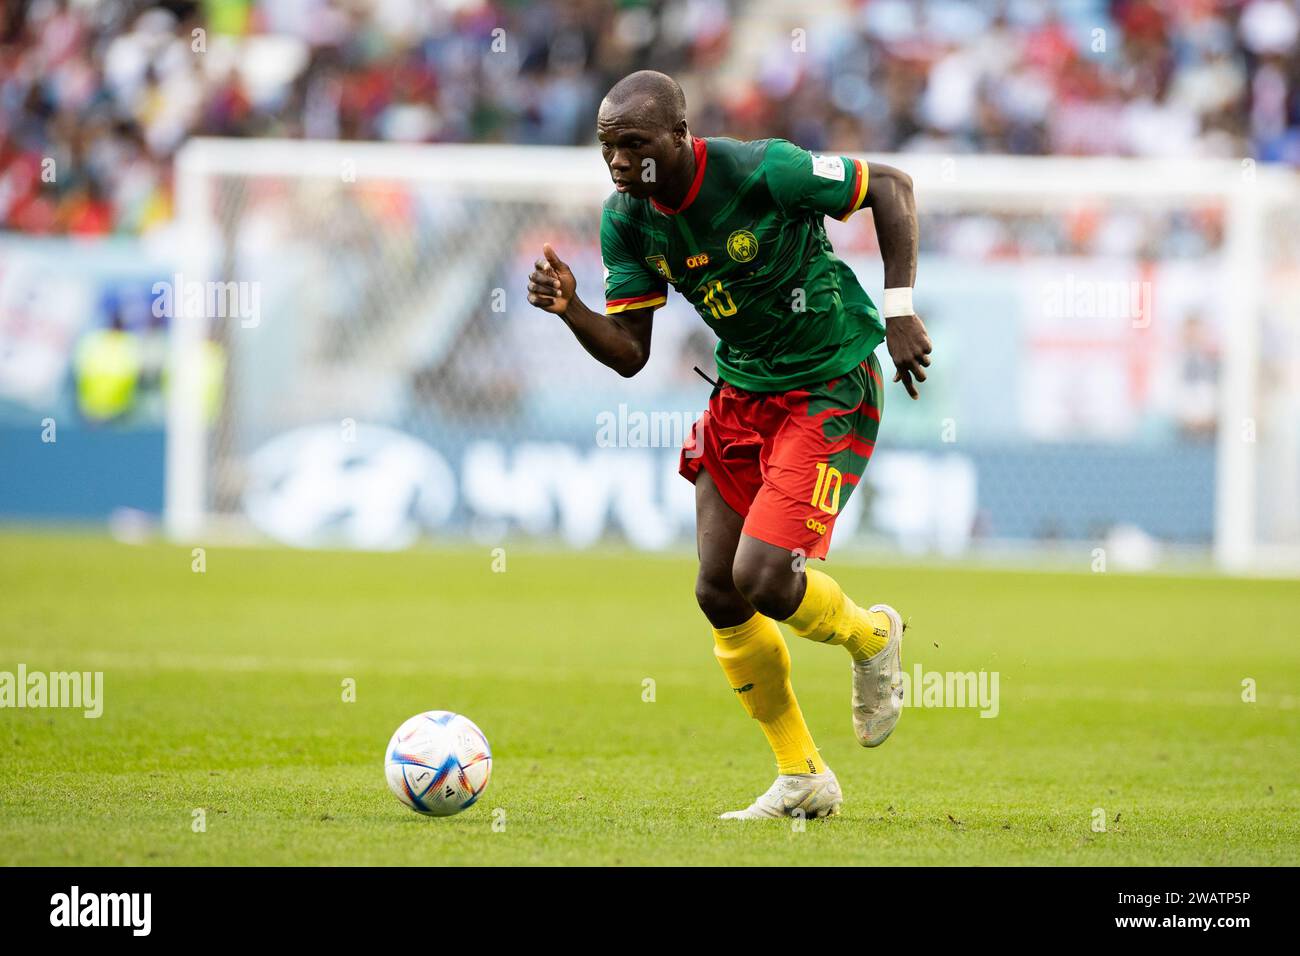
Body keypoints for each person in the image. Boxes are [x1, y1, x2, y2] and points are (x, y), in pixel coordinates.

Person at [526, 71, 932, 819]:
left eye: (634, 144)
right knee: (718, 588)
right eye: (607, 146)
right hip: (743, 394)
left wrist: (899, 309)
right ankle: (802, 775)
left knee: (765, 578)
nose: (619, 161)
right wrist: (572, 309)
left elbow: (892, 186)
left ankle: (872, 636)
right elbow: (631, 353)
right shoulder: (628, 219)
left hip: (827, 384)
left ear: (680, 137)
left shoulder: (763, 169)